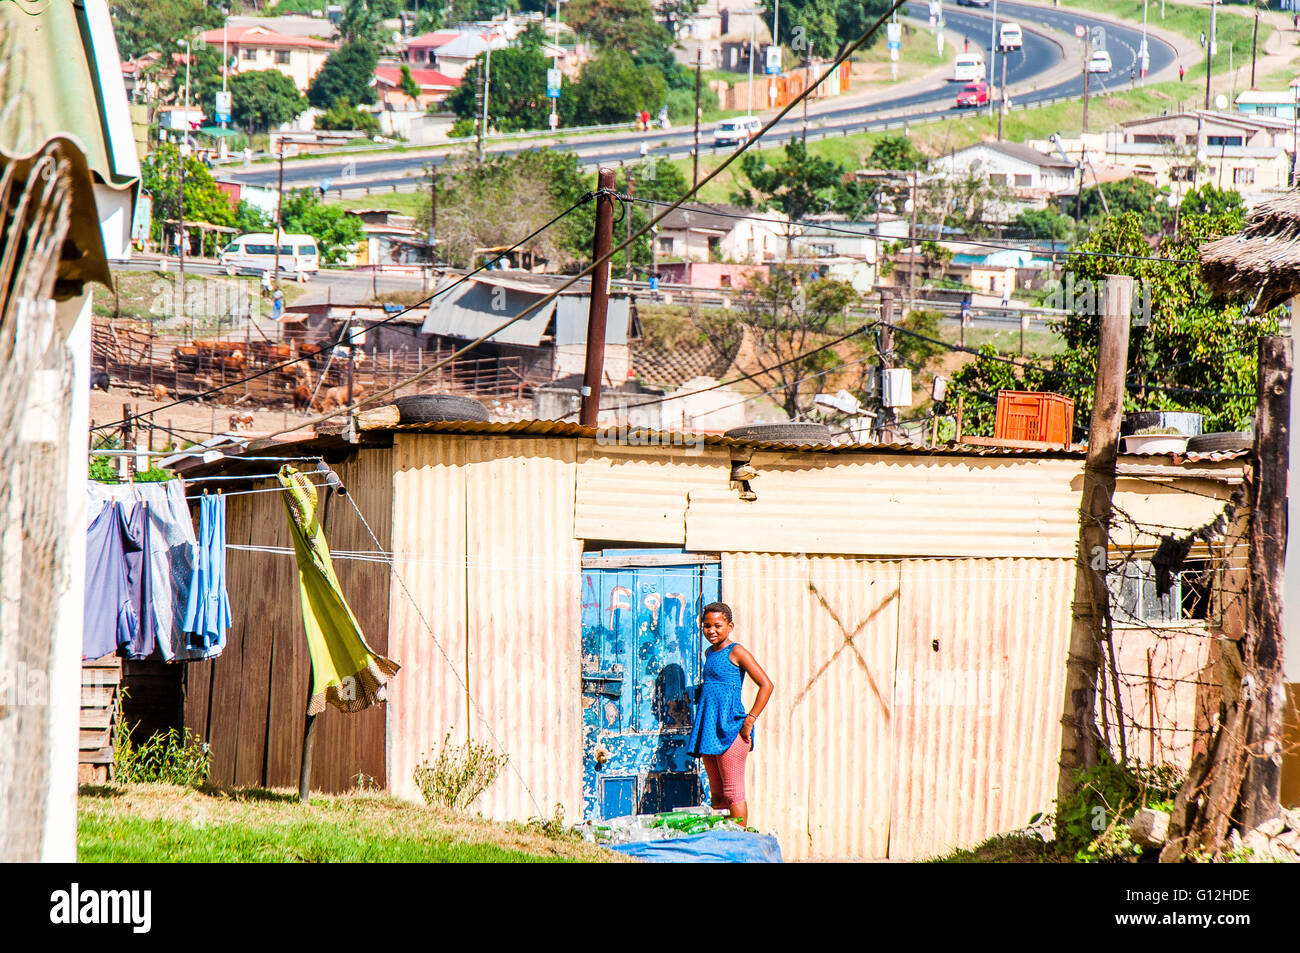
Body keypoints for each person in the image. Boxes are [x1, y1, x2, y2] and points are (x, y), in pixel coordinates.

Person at [686, 602, 773, 828]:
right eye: (706, 626)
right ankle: (722, 842)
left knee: (733, 792)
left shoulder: (737, 651)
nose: (711, 630)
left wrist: (749, 720)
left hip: (731, 729)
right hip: (709, 730)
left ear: (730, 625)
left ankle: (740, 845)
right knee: (717, 795)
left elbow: (766, 685)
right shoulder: (709, 653)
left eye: (718, 625)